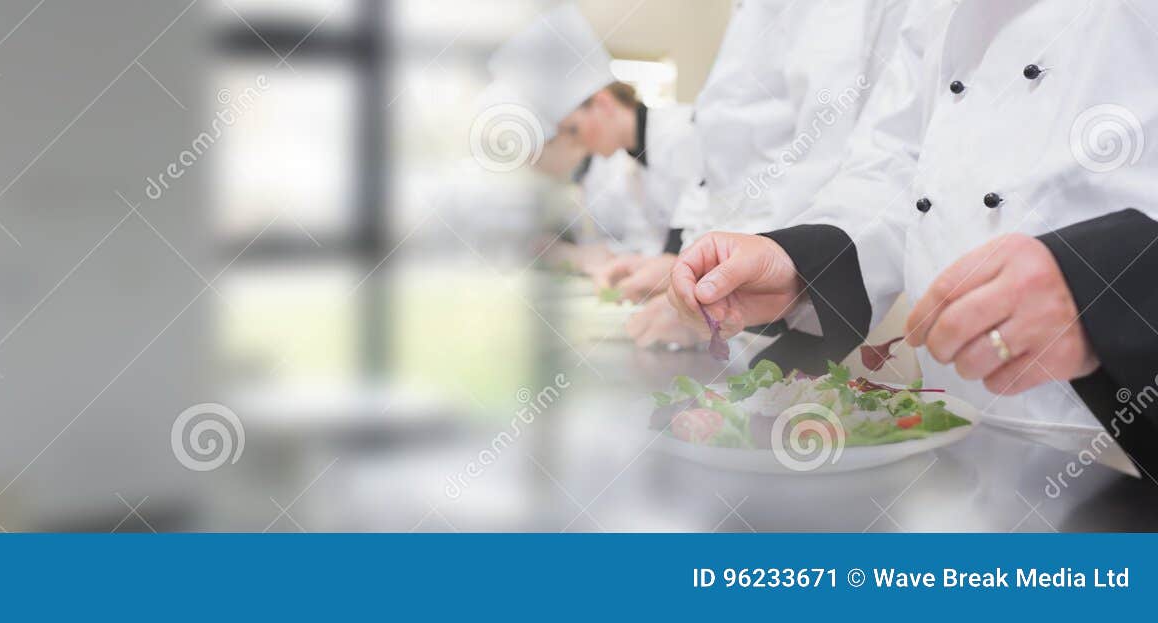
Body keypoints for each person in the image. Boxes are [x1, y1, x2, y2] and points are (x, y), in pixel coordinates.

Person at [667, 0, 1158, 474]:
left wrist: (1112, 285)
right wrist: (799, 262)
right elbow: (893, 160)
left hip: (1126, 437)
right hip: (967, 430)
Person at [622, 0, 911, 349]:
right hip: (752, 282)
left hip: (786, 293)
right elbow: (714, 160)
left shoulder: (841, 16)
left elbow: (826, 156)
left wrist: (783, 262)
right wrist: (688, 266)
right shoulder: (747, 14)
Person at [485, 4, 698, 291]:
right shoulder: (632, 160)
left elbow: (699, 233)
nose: (575, 143)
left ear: (603, 103)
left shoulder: (683, 132)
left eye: (573, 130)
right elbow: (652, 246)